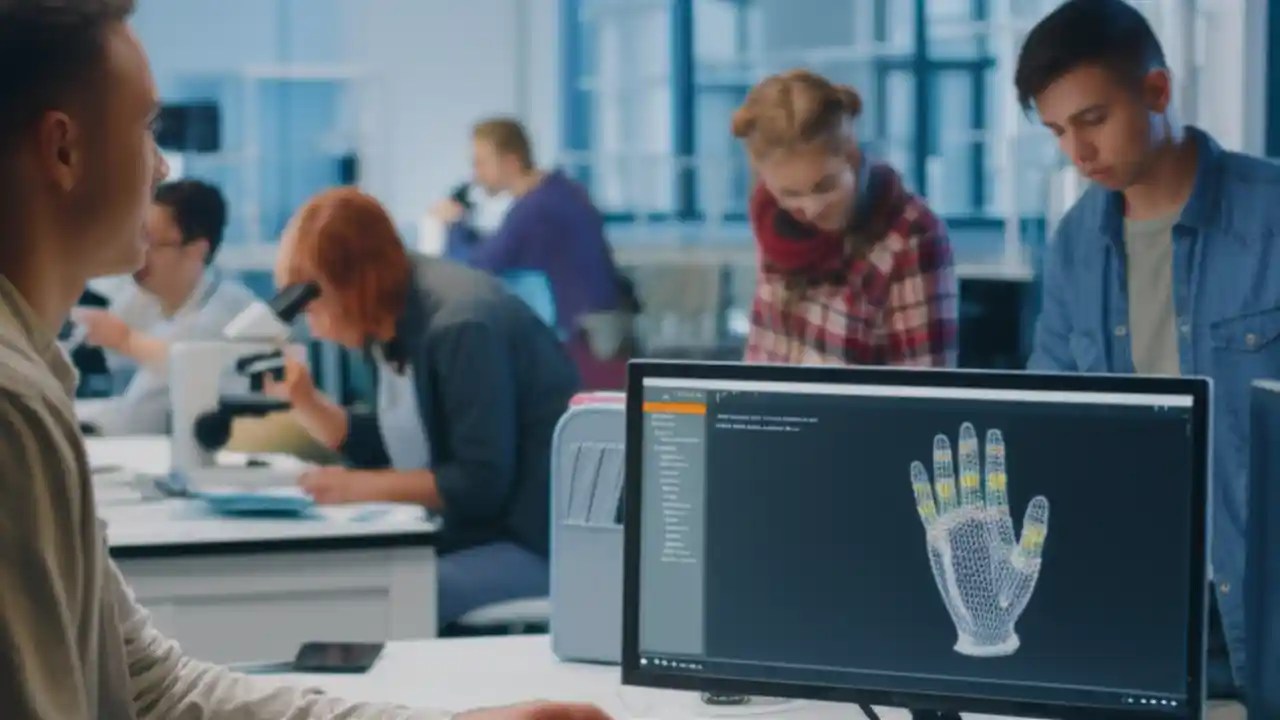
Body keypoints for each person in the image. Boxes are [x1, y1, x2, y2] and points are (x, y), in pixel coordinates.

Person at [0, 2, 607, 718]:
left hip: (523, 544)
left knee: (390, 596)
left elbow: (146, 686)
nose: (161, 165)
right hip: (464, 538)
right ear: (63, 150)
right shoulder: (16, 405)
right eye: (145, 128)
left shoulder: (458, 322)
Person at [1018, 0, 1280, 703]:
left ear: (1157, 91)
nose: (1078, 152)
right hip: (1140, 614)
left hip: (1263, 606)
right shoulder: (1076, 242)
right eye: (1058, 131)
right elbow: (1049, 422)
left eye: (1093, 119)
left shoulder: (1272, 216)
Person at [268, 187, 579, 629]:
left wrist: (355, 488)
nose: (312, 326)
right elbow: (401, 452)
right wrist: (307, 404)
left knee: (371, 597)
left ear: (353, 284)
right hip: (471, 535)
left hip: (535, 545)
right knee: (332, 575)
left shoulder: (461, 326)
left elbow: (478, 483)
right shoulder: (389, 320)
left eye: (312, 306)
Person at [731, 70, 958, 367]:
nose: (811, 209)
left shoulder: (912, 236)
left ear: (851, 155)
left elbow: (924, 385)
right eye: (790, 193)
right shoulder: (772, 217)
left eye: (825, 186)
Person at [432, 117, 636, 390]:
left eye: (481, 163)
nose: (475, 175)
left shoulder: (537, 209)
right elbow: (496, 248)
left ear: (510, 162)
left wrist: (453, 226)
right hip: (600, 336)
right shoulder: (558, 192)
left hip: (586, 348)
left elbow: (477, 266)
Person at [72, 179, 259, 434]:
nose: (138, 255)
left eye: (150, 243)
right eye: (136, 241)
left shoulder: (233, 313)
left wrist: (126, 340)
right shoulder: (140, 299)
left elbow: (196, 370)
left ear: (196, 251)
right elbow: (133, 405)